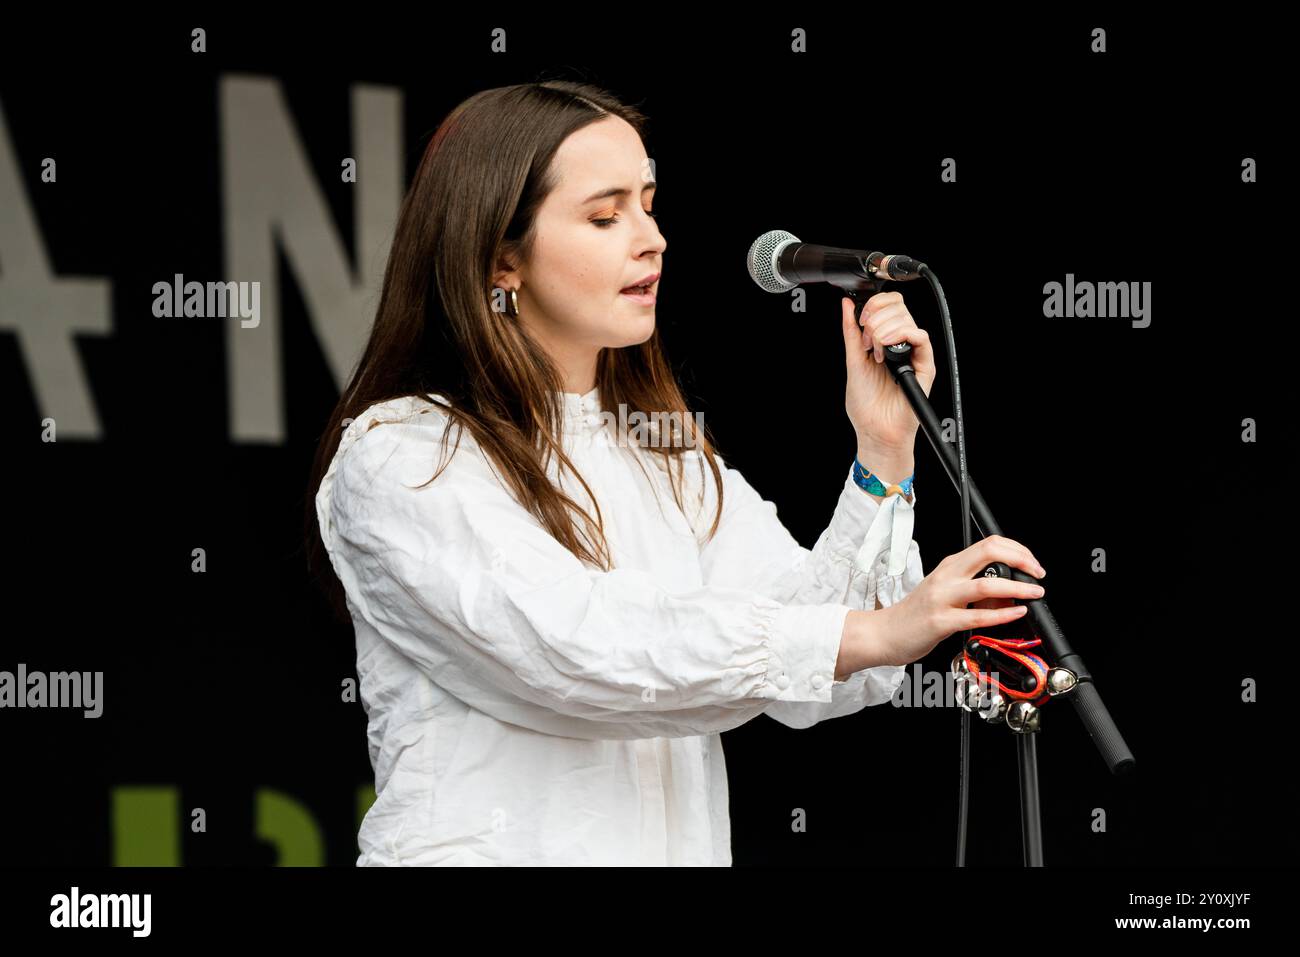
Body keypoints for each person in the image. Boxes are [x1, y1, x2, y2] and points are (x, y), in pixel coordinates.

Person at [305, 80, 1047, 866]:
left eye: (649, 205)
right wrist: (872, 631)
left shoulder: (664, 452)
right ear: (501, 259)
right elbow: (584, 650)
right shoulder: (402, 455)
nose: (652, 239)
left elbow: (829, 675)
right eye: (605, 216)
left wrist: (883, 452)